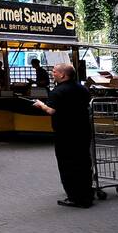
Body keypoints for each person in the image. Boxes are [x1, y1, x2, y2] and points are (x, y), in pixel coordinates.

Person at [33, 63, 93, 207]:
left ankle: (75, 197)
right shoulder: (82, 89)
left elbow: (51, 110)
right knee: (84, 163)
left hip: (65, 134)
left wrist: (40, 104)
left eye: (54, 72)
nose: (52, 74)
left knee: (68, 165)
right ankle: (87, 194)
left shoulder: (58, 91)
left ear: (62, 75)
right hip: (83, 131)